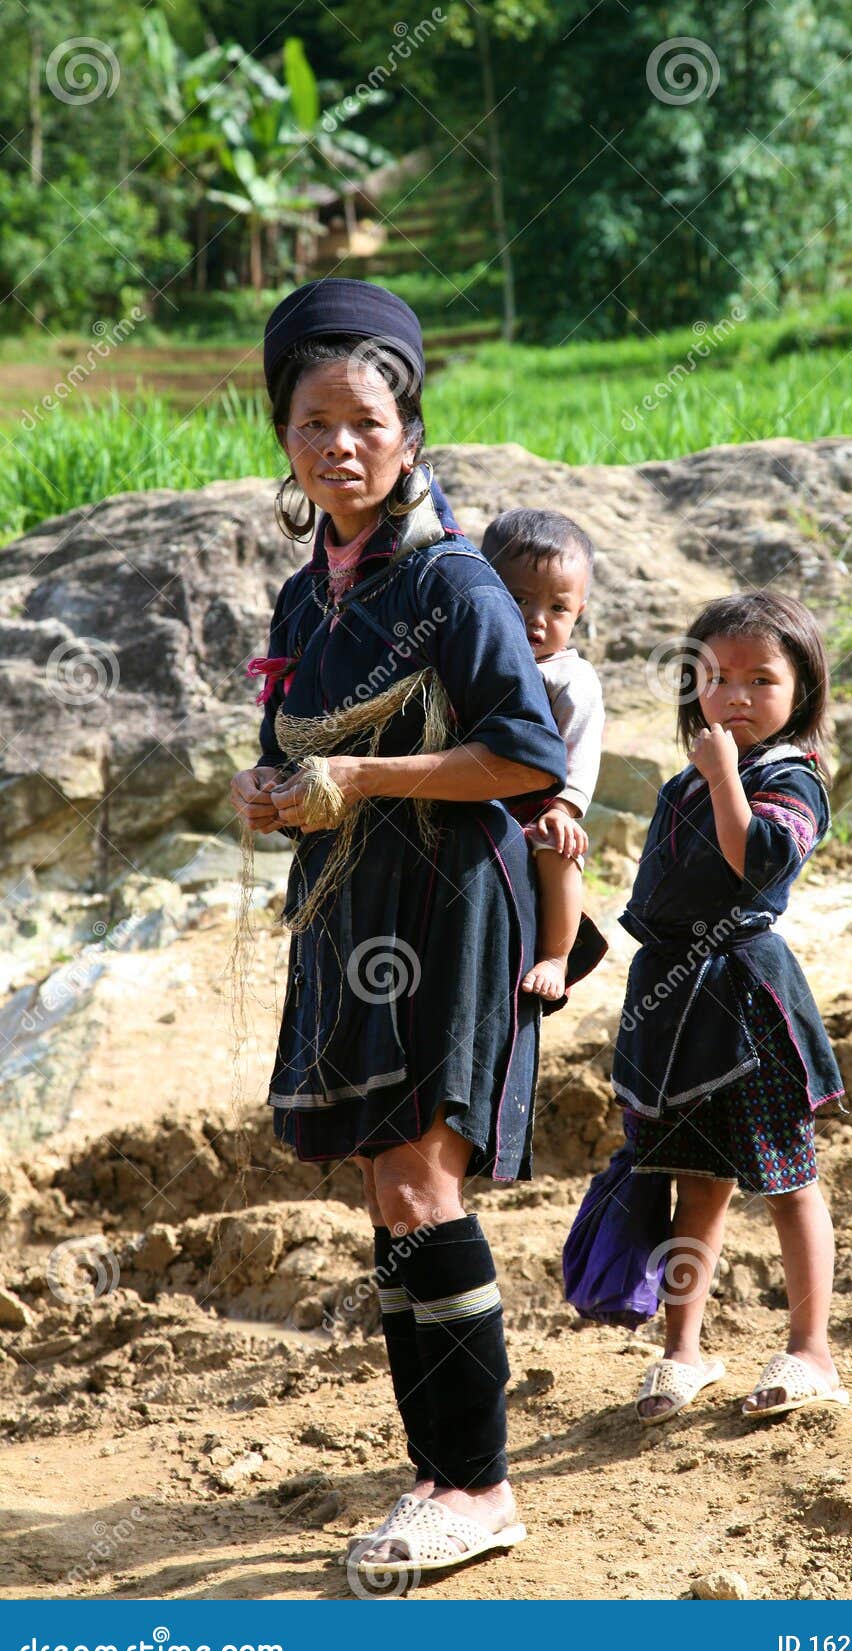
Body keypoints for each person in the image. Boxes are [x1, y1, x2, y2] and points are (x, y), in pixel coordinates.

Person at [230, 277, 598, 1578]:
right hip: (350, 905)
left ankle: (475, 1486)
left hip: (451, 900)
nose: (337, 443)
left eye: (364, 421)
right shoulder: (303, 597)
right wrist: (272, 795)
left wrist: (364, 781)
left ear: (408, 430)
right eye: (310, 420)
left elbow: (522, 757)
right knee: (390, 1190)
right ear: (281, 432)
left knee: (420, 1183)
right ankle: (442, 1470)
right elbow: (301, 750)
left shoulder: (453, 581)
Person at [601, 590, 849, 1424]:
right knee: (693, 1187)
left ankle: (811, 1350)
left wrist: (721, 779)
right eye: (717, 678)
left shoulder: (793, 777)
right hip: (674, 1011)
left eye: (761, 680)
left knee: (787, 1179)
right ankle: (681, 1353)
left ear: (800, 695)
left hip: (747, 999)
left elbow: (760, 867)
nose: (737, 697)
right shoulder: (682, 784)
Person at [481, 509, 605, 1003]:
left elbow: (580, 752)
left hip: (539, 806)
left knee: (561, 853)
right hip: (475, 796)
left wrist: (564, 809)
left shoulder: (570, 680)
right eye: (519, 600)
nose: (537, 619)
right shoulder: (475, 661)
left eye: (558, 608)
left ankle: (556, 955)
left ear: (580, 611)